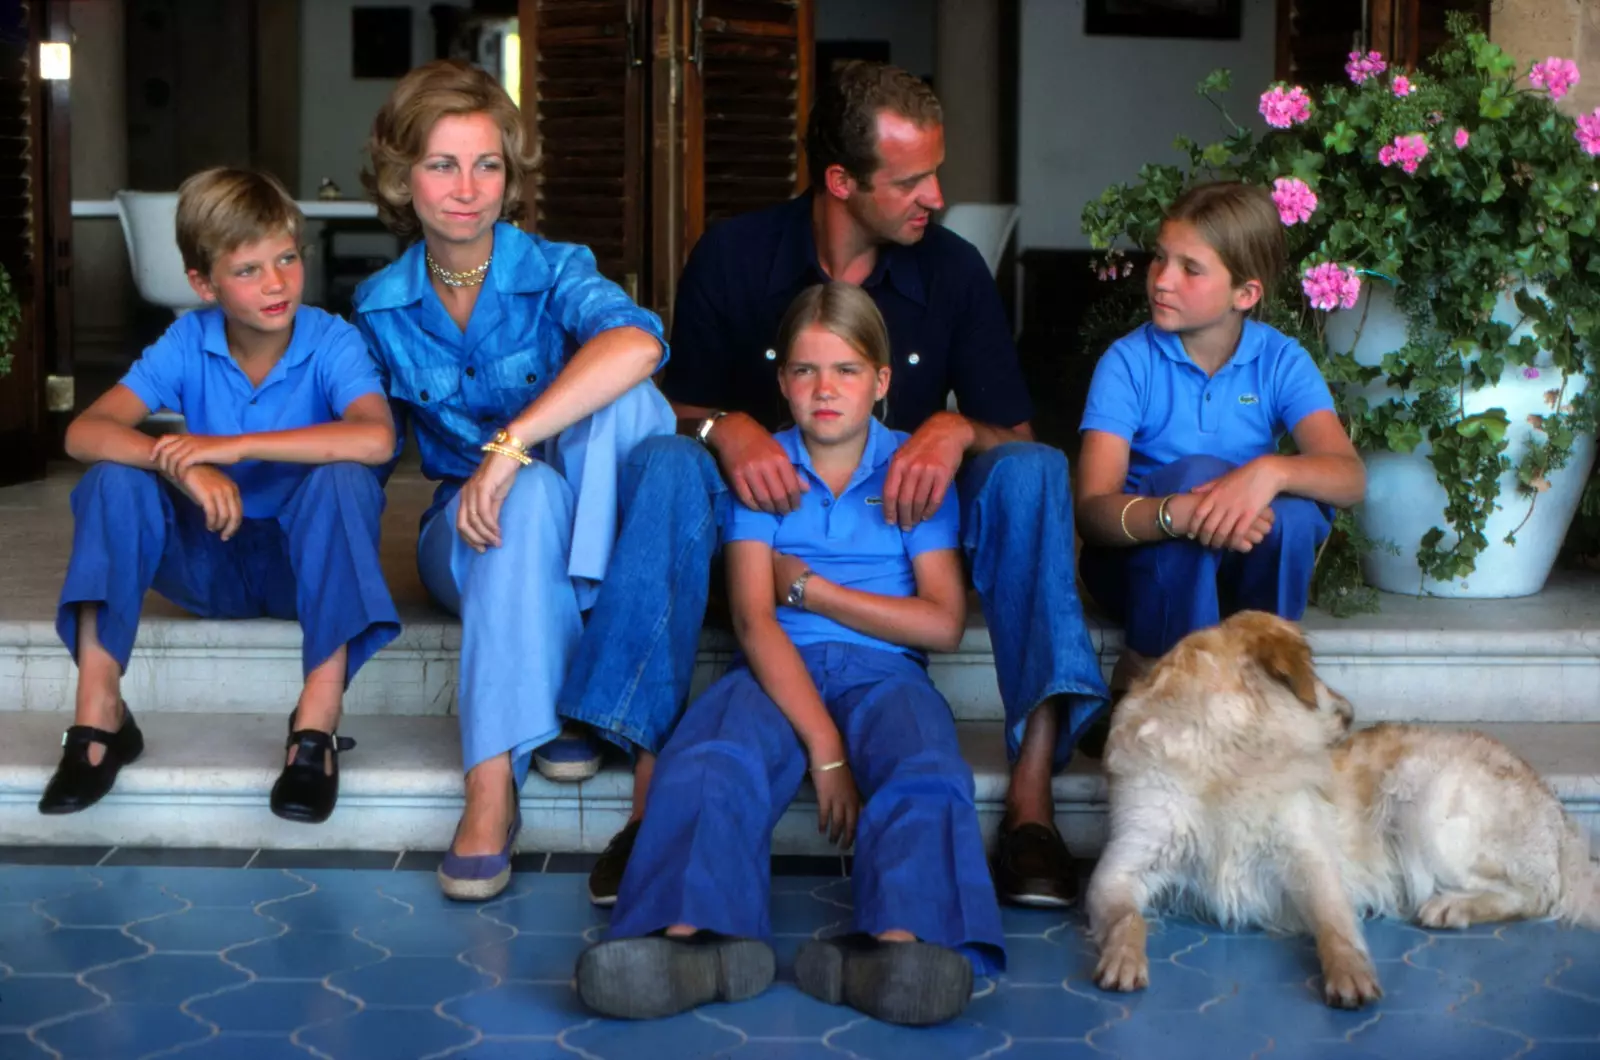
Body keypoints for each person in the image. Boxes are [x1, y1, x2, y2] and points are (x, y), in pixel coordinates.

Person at [559, 61, 1109, 910]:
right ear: (841, 181)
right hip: (753, 542)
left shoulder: (954, 271)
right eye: (912, 180)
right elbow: (659, 414)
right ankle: (647, 804)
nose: (936, 194)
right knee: (664, 466)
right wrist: (722, 425)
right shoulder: (736, 255)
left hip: (901, 542)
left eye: (937, 170)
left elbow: (1017, 437)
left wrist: (957, 426)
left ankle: (1031, 806)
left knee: (1034, 473)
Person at [575, 282, 1005, 1026]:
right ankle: (693, 940)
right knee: (709, 760)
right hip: (774, 670)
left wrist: (810, 589)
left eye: (845, 371)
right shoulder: (765, 467)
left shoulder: (913, 468)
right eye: (805, 372)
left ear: (881, 381)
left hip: (886, 669)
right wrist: (826, 748)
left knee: (926, 768)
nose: (824, 389)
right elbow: (751, 618)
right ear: (781, 382)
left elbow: (940, 624)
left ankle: (901, 946)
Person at [352, 60, 674, 902]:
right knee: (516, 499)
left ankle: (514, 755)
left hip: (568, 516)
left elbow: (640, 345)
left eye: (487, 164)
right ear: (402, 177)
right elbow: (366, 452)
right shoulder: (380, 306)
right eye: (442, 165)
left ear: (511, 175)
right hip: (466, 536)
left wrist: (511, 442)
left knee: (623, 398)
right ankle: (492, 778)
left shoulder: (560, 267)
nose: (468, 188)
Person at [40, 167, 401, 823]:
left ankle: (314, 729)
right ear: (203, 285)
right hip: (210, 560)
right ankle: (100, 718)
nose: (276, 283)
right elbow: (82, 431)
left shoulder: (331, 340)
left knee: (345, 475)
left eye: (287, 258)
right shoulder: (188, 340)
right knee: (113, 478)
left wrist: (233, 448)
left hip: (305, 570)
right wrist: (177, 463)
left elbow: (376, 438)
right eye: (249, 269)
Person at [1076, 181, 1366, 692]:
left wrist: (1268, 471)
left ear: (1245, 294)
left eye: (1190, 269)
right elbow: (1094, 511)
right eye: (1159, 259)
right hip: (1138, 574)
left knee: (1295, 514)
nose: (1162, 280)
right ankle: (1156, 672)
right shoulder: (1128, 363)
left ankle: (1265, 669)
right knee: (1198, 475)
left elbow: (1349, 478)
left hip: (1236, 573)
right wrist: (1176, 514)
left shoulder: (1280, 360)